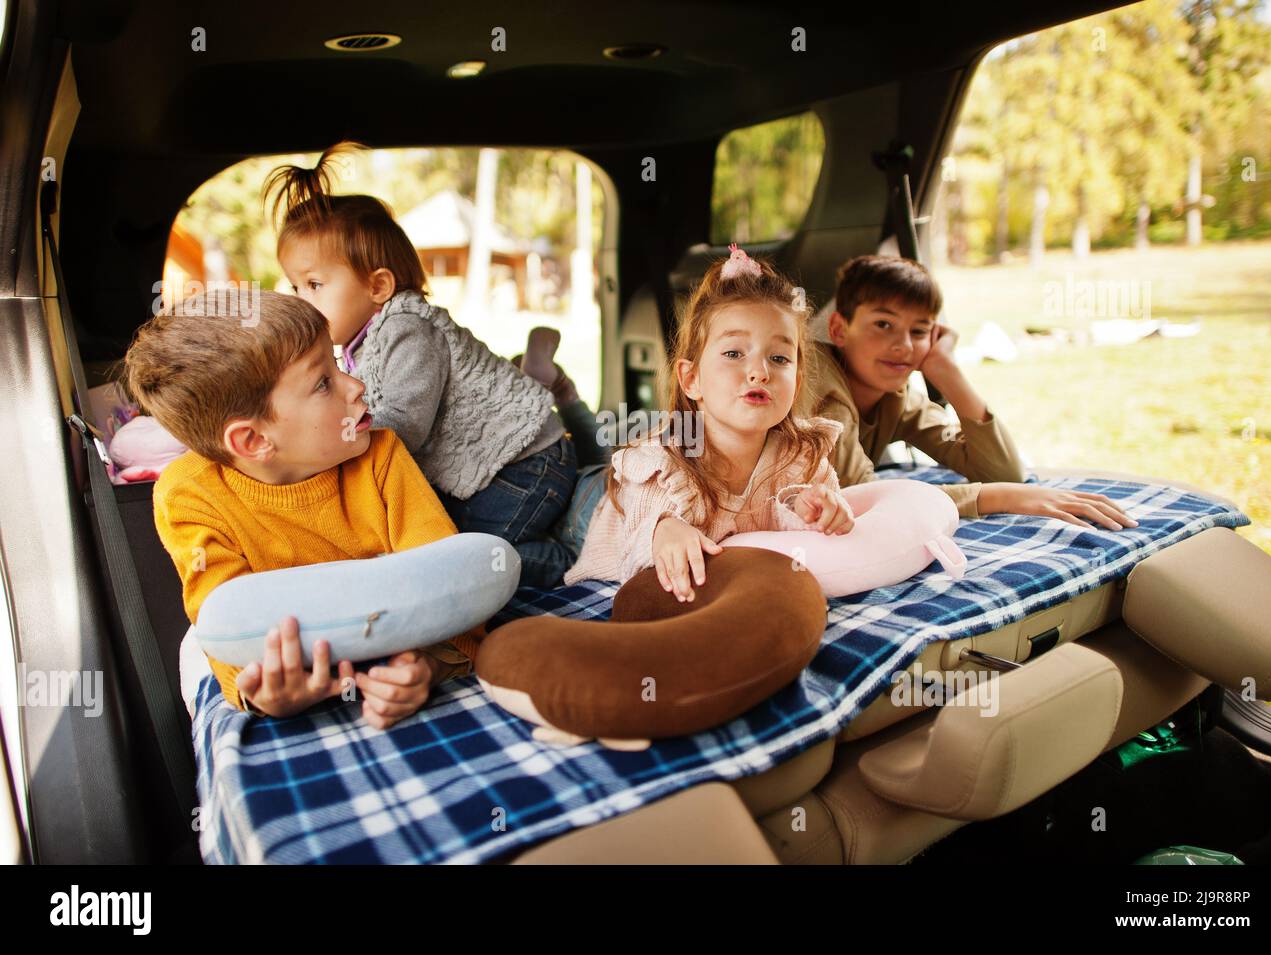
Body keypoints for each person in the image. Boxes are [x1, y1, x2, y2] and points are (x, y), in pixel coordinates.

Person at [123, 291, 485, 728]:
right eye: (323, 382)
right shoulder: (187, 493)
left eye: (338, 363)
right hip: (284, 658)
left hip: (392, 640)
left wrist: (429, 665)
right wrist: (262, 692)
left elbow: (451, 589)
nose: (357, 385)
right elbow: (224, 622)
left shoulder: (381, 454)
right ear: (254, 441)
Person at [264, 143, 581, 587]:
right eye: (296, 286)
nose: (302, 300)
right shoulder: (356, 342)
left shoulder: (408, 330)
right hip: (497, 469)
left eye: (314, 284)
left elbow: (402, 426)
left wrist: (332, 451)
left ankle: (566, 560)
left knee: (461, 560)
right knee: (431, 540)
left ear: (378, 285)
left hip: (526, 460)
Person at [564, 245, 854, 600]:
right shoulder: (664, 465)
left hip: (612, 481)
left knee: (596, 448)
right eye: (734, 353)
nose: (760, 372)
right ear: (691, 379)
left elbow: (807, 522)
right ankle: (566, 401)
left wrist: (820, 512)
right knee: (557, 501)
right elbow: (643, 533)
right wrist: (665, 531)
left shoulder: (801, 458)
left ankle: (571, 409)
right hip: (595, 511)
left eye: (779, 358)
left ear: (796, 383)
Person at [802, 254, 1136, 529]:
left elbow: (1003, 472)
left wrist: (947, 373)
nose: (903, 346)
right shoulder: (820, 386)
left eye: (919, 331)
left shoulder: (894, 397)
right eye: (883, 325)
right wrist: (1002, 498)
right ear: (839, 330)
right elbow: (868, 497)